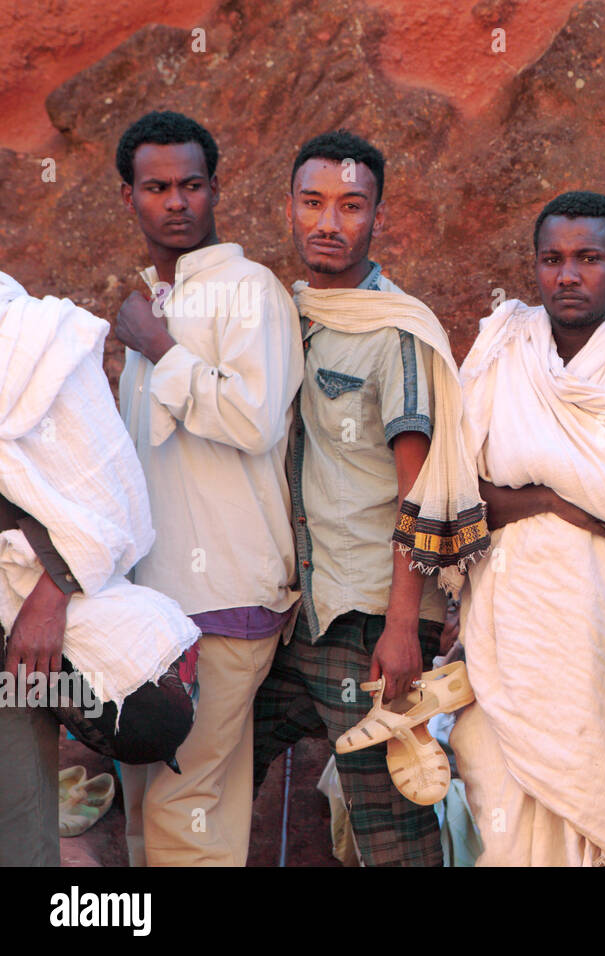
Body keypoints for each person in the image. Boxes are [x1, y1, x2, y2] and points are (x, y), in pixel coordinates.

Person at [250, 130, 486, 866]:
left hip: (370, 621)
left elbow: (419, 489)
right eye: (313, 202)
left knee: (393, 832)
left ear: (377, 216)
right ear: (288, 208)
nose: (328, 222)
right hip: (295, 614)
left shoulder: (396, 330)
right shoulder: (288, 317)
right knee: (210, 762)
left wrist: (404, 624)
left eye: (350, 206)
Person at [442, 190, 605, 866]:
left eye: (589, 258)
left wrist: (526, 471)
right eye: (552, 259)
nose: (568, 275)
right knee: (503, 798)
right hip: (509, 623)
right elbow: (453, 493)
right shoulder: (503, 349)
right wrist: (544, 501)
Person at [113, 111, 303, 866]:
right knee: (157, 810)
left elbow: (253, 419)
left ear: (216, 189)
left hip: (225, 593)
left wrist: (160, 350)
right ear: (128, 197)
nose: (177, 202)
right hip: (150, 605)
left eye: (192, 184)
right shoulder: (150, 301)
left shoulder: (249, 289)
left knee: (181, 808)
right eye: (156, 187)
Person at [0, 273, 198, 865]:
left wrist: (52, 594)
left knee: (16, 822)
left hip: (16, 623)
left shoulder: (31, 339)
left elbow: (112, 498)